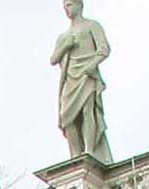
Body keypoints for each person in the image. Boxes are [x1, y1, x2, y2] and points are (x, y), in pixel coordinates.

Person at [53, 1, 111, 166]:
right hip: (70, 78)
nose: (67, 9)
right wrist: (65, 46)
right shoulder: (64, 36)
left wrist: (91, 65)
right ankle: (75, 155)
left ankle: (89, 150)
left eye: (70, 5)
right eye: (65, 6)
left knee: (87, 110)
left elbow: (104, 49)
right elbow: (53, 59)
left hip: (86, 75)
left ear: (79, 5)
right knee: (67, 117)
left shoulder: (91, 25)